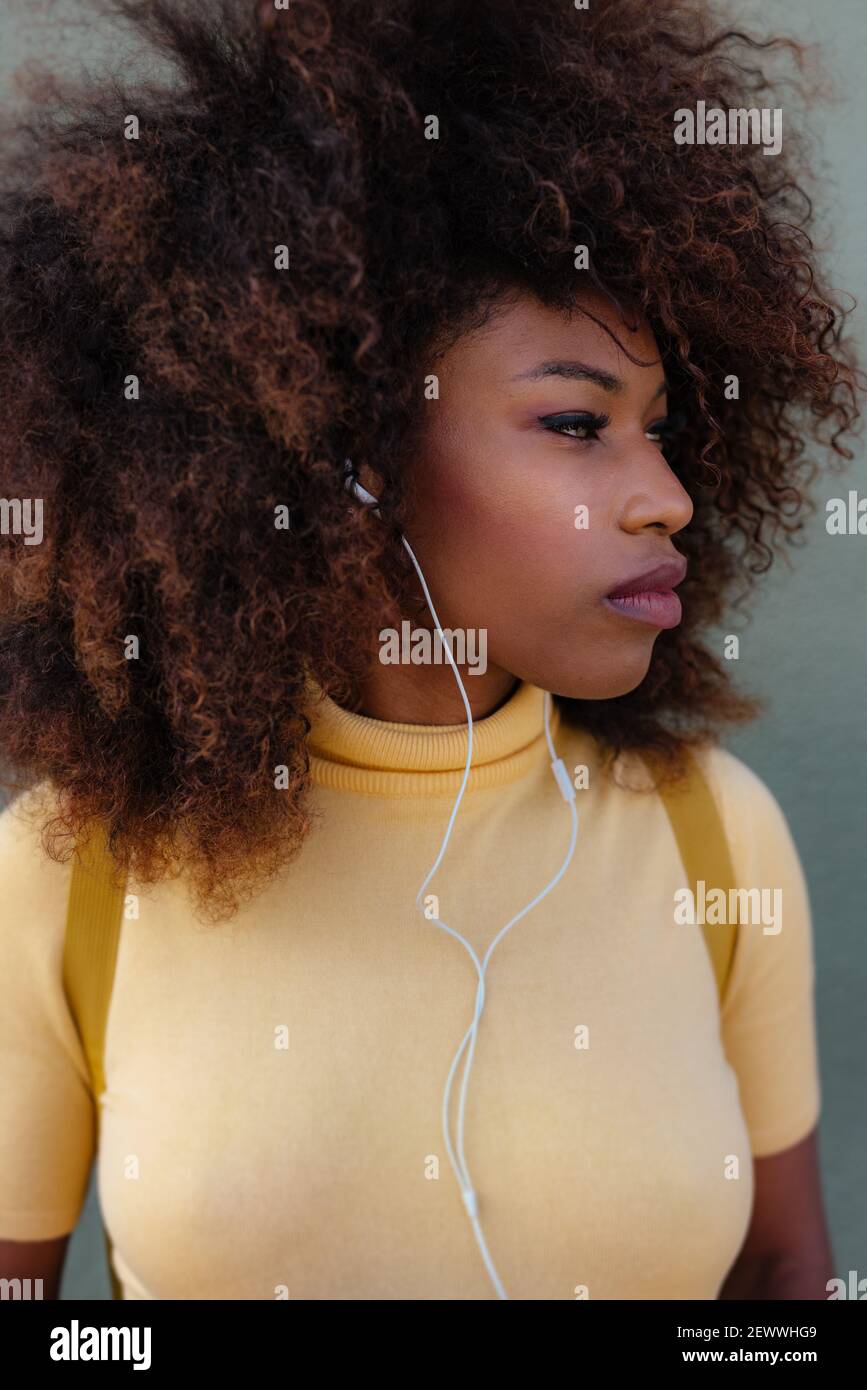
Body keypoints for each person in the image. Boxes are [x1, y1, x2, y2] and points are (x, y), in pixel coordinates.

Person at [0, 0, 856, 1300]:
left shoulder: (714, 842)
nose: (667, 494)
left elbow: (787, 1278)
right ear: (349, 452)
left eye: (664, 428)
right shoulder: (82, 862)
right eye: (578, 424)